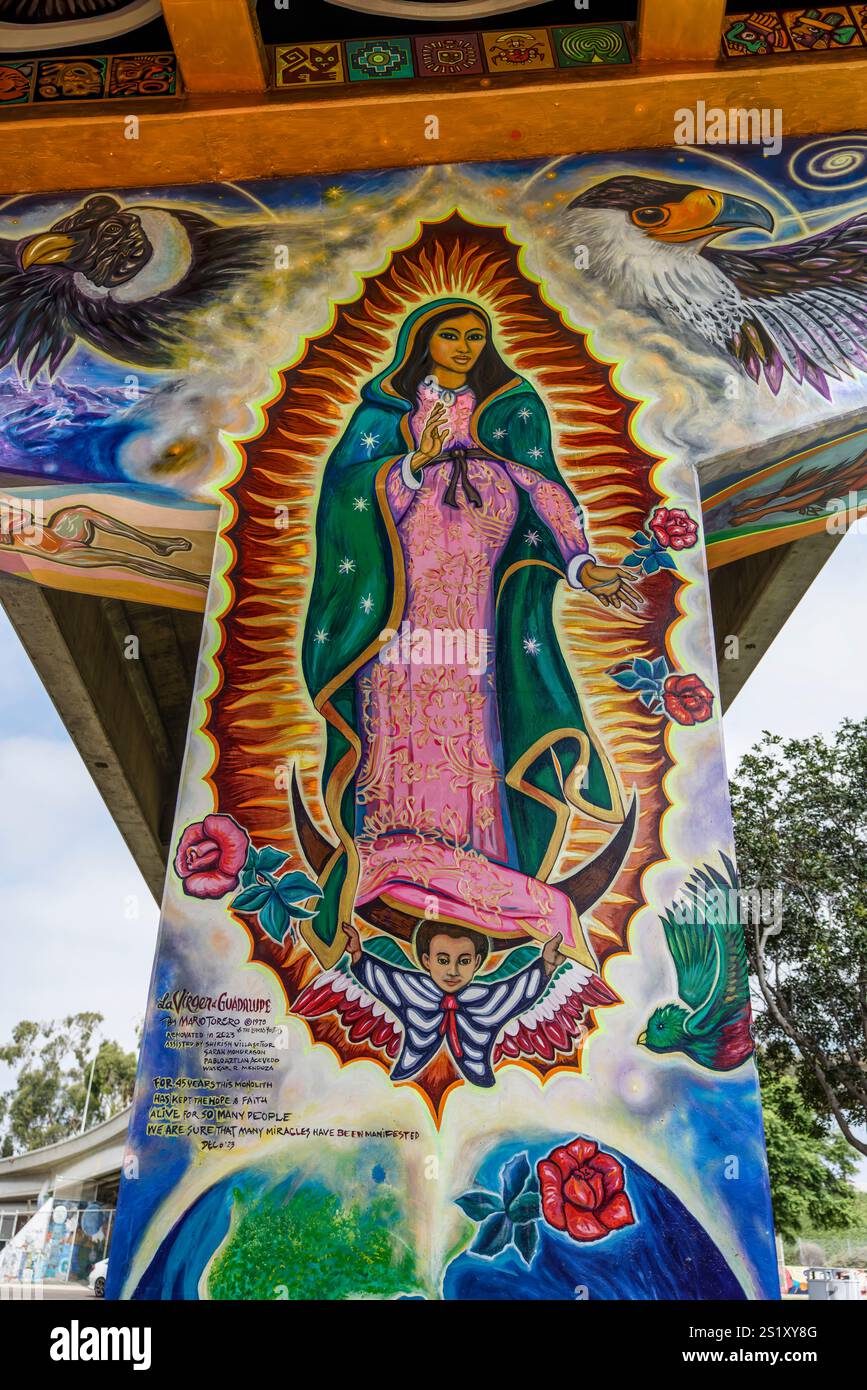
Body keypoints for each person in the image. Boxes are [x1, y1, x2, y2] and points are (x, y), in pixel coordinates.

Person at [302, 298, 638, 970]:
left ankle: (474, 865)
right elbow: (342, 498)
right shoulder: (383, 414)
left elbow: (544, 488)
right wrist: (406, 465)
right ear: (421, 341)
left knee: (474, 731)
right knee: (401, 731)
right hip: (400, 622)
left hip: (477, 619)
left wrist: (579, 561)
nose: (461, 346)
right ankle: (396, 848)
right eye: (448, 335)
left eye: (473, 336)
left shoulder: (512, 411)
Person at [343, 919, 564, 1087]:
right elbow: (382, 980)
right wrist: (357, 954)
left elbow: (518, 991)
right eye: (442, 960)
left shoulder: (485, 998)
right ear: (426, 960)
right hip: (404, 1076)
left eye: (464, 961)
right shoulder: (413, 989)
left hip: (479, 1077)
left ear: (477, 962)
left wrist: (546, 965)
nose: (453, 971)